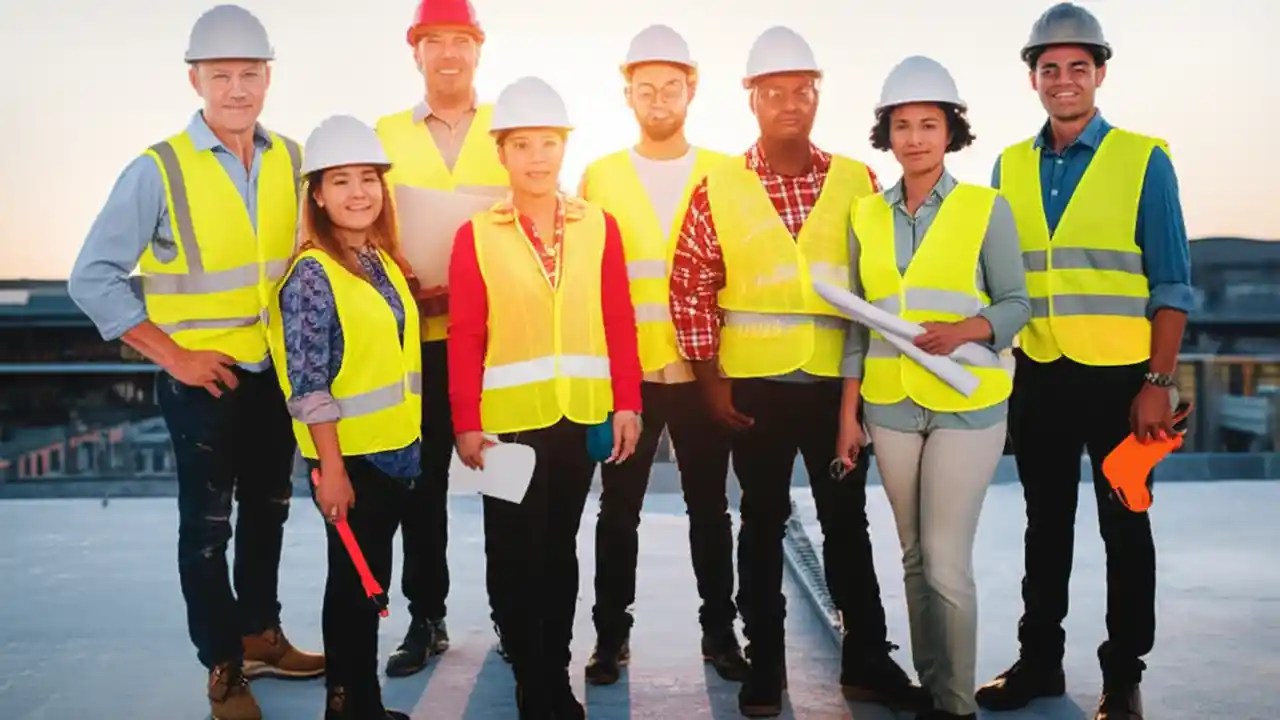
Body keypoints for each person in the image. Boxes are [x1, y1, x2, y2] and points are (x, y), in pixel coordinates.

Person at [66, 6, 324, 719]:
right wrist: (173, 355)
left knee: (270, 511)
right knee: (207, 528)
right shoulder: (158, 168)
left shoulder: (295, 159)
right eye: (222, 75)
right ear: (195, 79)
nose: (237, 89)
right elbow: (92, 276)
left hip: (275, 375)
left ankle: (260, 634)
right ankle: (223, 665)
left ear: (268, 77)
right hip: (201, 380)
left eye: (250, 74)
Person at [667, 25, 930, 718]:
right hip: (752, 392)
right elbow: (690, 283)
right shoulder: (717, 185)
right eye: (775, 92)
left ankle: (866, 661)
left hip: (835, 391)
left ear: (817, 97)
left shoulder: (856, 181)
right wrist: (711, 382)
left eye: (802, 91)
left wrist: (866, 391)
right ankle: (766, 668)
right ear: (751, 99)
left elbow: (879, 286)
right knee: (760, 521)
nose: (790, 103)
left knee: (847, 522)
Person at [975, 5, 1193, 720]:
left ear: (1099, 74)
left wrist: (1157, 383)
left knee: (1126, 525)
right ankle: (1039, 662)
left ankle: (1123, 673)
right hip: (1039, 373)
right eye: (1049, 69)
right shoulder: (1007, 165)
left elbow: (1172, 283)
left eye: (1077, 68)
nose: (1063, 81)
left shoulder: (1143, 159)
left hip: (1125, 381)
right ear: (1033, 78)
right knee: (1046, 525)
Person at [838, 56, 1030, 720]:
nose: (915, 137)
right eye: (902, 125)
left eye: (929, 124)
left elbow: (1015, 304)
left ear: (951, 132)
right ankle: (931, 685)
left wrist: (965, 329)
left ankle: (954, 706)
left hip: (968, 403)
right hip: (890, 404)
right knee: (915, 557)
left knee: (947, 560)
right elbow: (860, 323)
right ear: (885, 134)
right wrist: (848, 412)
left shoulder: (985, 208)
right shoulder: (865, 214)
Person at [447, 76, 643, 719]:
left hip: (577, 418)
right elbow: (467, 334)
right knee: (512, 552)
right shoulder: (475, 234)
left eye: (549, 143)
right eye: (523, 144)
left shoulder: (599, 227)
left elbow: (619, 318)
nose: (537, 157)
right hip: (505, 426)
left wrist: (627, 403)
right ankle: (533, 675)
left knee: (559, 551)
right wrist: (465, 423)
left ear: (565, 149)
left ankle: (551, 674)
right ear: (501, 153)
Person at [576, 23, 747, 686]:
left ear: (691, 90)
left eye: (670, 87)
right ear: (627, 93)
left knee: (711, 508)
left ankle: (719, 634)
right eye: (645, 88)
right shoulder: (600, 175)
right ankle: (609, 638)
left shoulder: (726, 173)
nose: (658, 99)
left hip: (705, 374)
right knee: (617, 510)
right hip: (630, 378)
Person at [268, 115, 422, 720]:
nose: (358, 192)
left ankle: (358, 703)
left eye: (368, 179)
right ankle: (352, 705)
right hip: (350, 460)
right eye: (340, 181)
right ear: (318, 195)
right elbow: (308, 385)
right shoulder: (313, 274)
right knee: (355, 586)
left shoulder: (377, 260)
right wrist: (330, 469)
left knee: (367, 582)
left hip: (392, 452)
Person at [374, 0, 511, 674]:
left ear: (478, 50)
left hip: (501, 341)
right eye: (435, 42)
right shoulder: (384, 134)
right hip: (419, 344)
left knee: (507, 481)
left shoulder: (510, 129)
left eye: (460, 41)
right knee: (421, 485)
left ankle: (515, 616)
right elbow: (362, 220)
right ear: (416, 52)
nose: (448, 54)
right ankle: (426, 617)